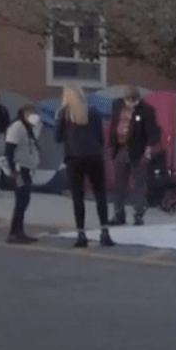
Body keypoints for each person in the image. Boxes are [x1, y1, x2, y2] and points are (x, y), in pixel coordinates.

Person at [55, 85, 114, 248]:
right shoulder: (93, 112)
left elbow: (57, 138)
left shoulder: (64, 114)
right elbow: (100, 137)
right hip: (94, 156)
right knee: (100, 195)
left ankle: (81, 234)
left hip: (74, 158)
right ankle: (105, 232)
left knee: (78, 197)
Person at [107, 86, 158, 226]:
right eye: (128, 100)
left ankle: (138, 214)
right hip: (120, 148)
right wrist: (111, 145)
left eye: (134, 100)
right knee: (119, 185)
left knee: (138, 185)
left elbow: (152, 133)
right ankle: (119, 214)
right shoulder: (118, 106)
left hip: (138, 151)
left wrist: (148, 152)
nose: (131, 103)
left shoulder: (146, 110)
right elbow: (114, 124)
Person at [3, 104, 42, 243]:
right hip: (19, 169)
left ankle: (18, 230)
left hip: (27, 168)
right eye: (29, 113)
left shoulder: (29, 129)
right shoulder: (17, 127)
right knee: (21, 200)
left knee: (25, 200)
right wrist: (12, 170)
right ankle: (15, 232)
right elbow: (9, 149)